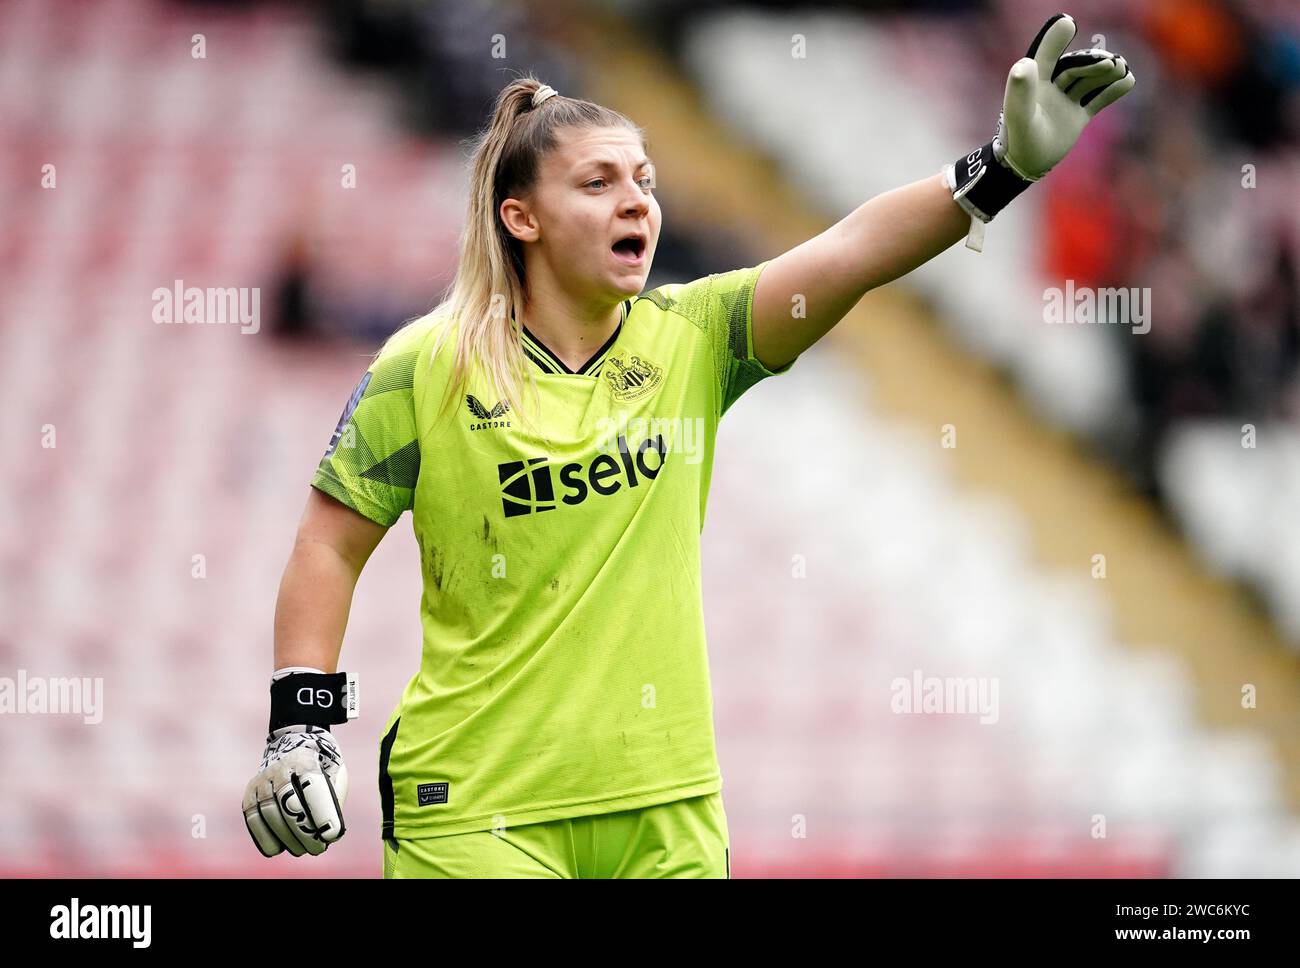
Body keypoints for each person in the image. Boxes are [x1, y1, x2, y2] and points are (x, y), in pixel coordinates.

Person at [242, 14, 1135, 878]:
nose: (637, 201)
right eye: (598, 184)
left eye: (644, 180)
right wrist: (300, 725)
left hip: (667, 815)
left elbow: (856, 250)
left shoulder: (695, 336)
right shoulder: (426, 365)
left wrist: (1002, 168)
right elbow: (330, 543)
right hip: (476, 813)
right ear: (522, 219)